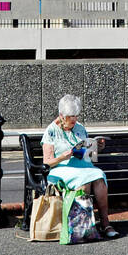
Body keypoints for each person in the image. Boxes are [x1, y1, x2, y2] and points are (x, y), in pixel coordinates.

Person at [42, 94, 119, 239]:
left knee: (99, 176)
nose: (74, 122)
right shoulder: (51, 131)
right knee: (85, 180)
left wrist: (97, 147)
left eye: (76, 117)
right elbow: (47, 162)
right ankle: (84, 227)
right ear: (61, 116)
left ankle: (105, 223)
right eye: (71, 120)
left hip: (83, 167)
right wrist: (62, 157)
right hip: (61, 169)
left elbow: (89, 155)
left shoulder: (80, 128)